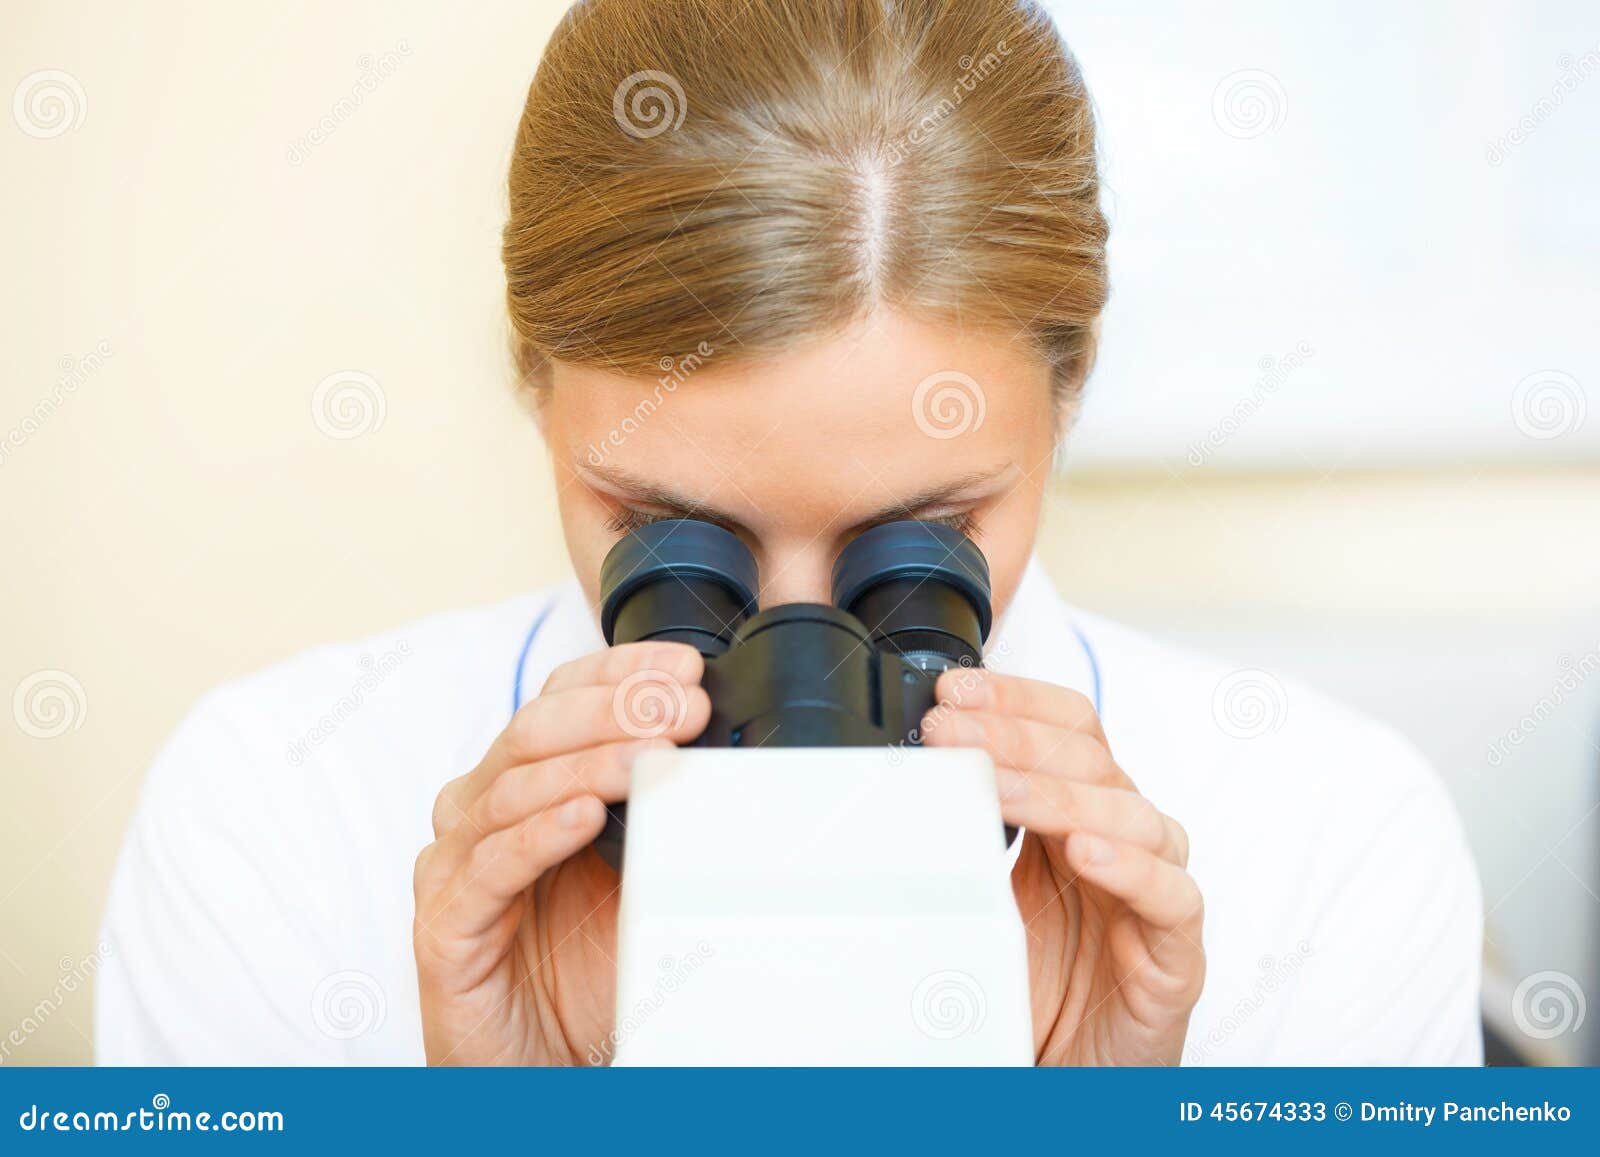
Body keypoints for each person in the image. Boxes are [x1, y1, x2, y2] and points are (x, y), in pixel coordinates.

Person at [96, 0, 1482, 1065]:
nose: (792, 661)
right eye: (672, 539)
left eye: (919, 544)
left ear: (1069, 394)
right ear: (533, 381)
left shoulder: (1332, 847)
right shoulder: (273, 815)